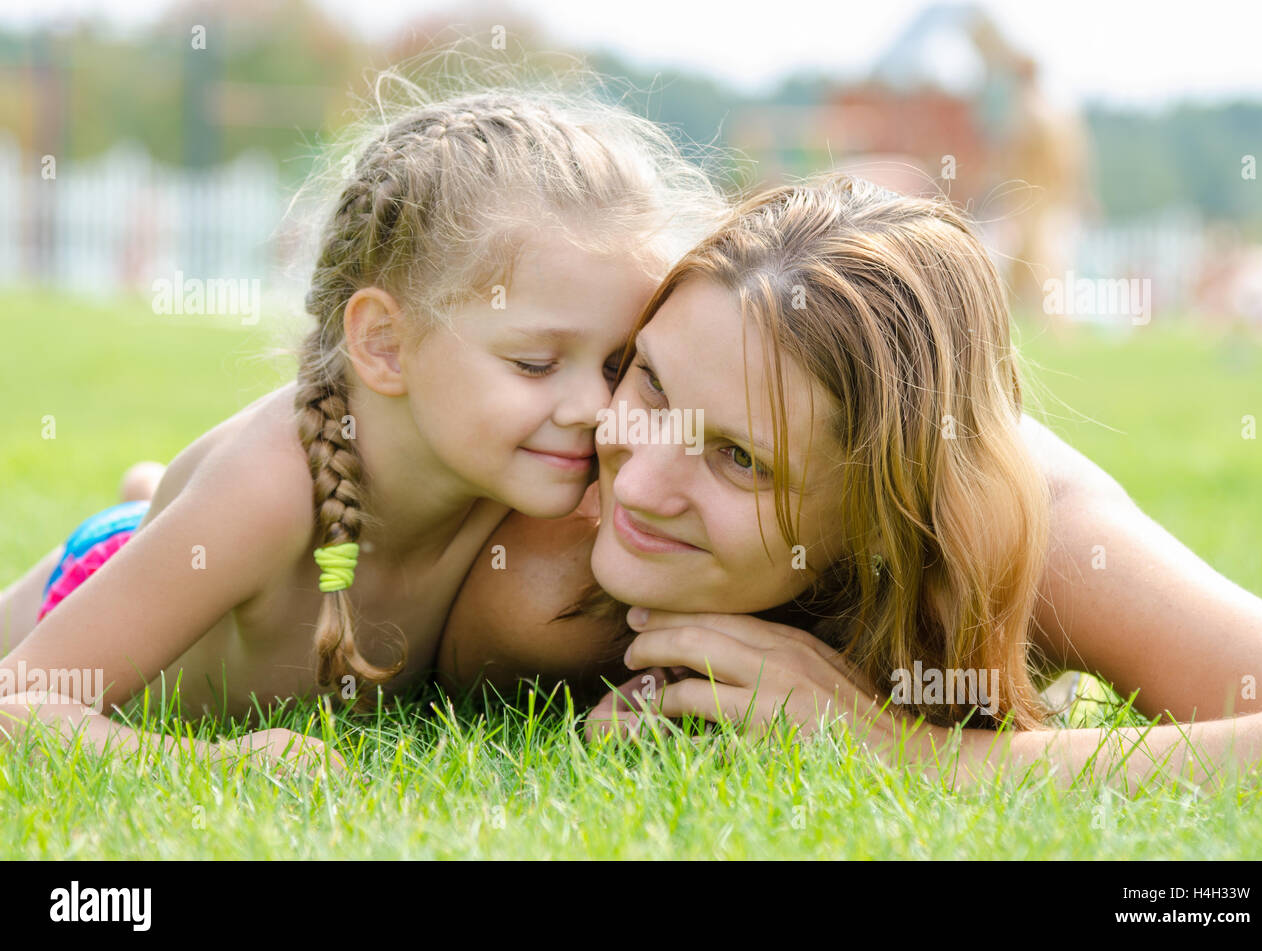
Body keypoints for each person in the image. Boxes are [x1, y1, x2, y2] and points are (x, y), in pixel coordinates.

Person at [437, 176, 1262, 789]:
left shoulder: (1009, 521)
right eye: (651, 379)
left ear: (877, 512)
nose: (639, 481)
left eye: (741, 457)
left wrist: (909, 753)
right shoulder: (547, 529)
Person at [0, 74, 725, 771]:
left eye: (614, 365)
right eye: (535, 364)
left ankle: (150, 491)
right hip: (100, 572)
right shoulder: (268, 491)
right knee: (172, 526)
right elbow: (19, 704)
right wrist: (217, 760)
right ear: (382, 342)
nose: (596, 410)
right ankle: (144, 507)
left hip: (213, 538)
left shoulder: (519, 472)